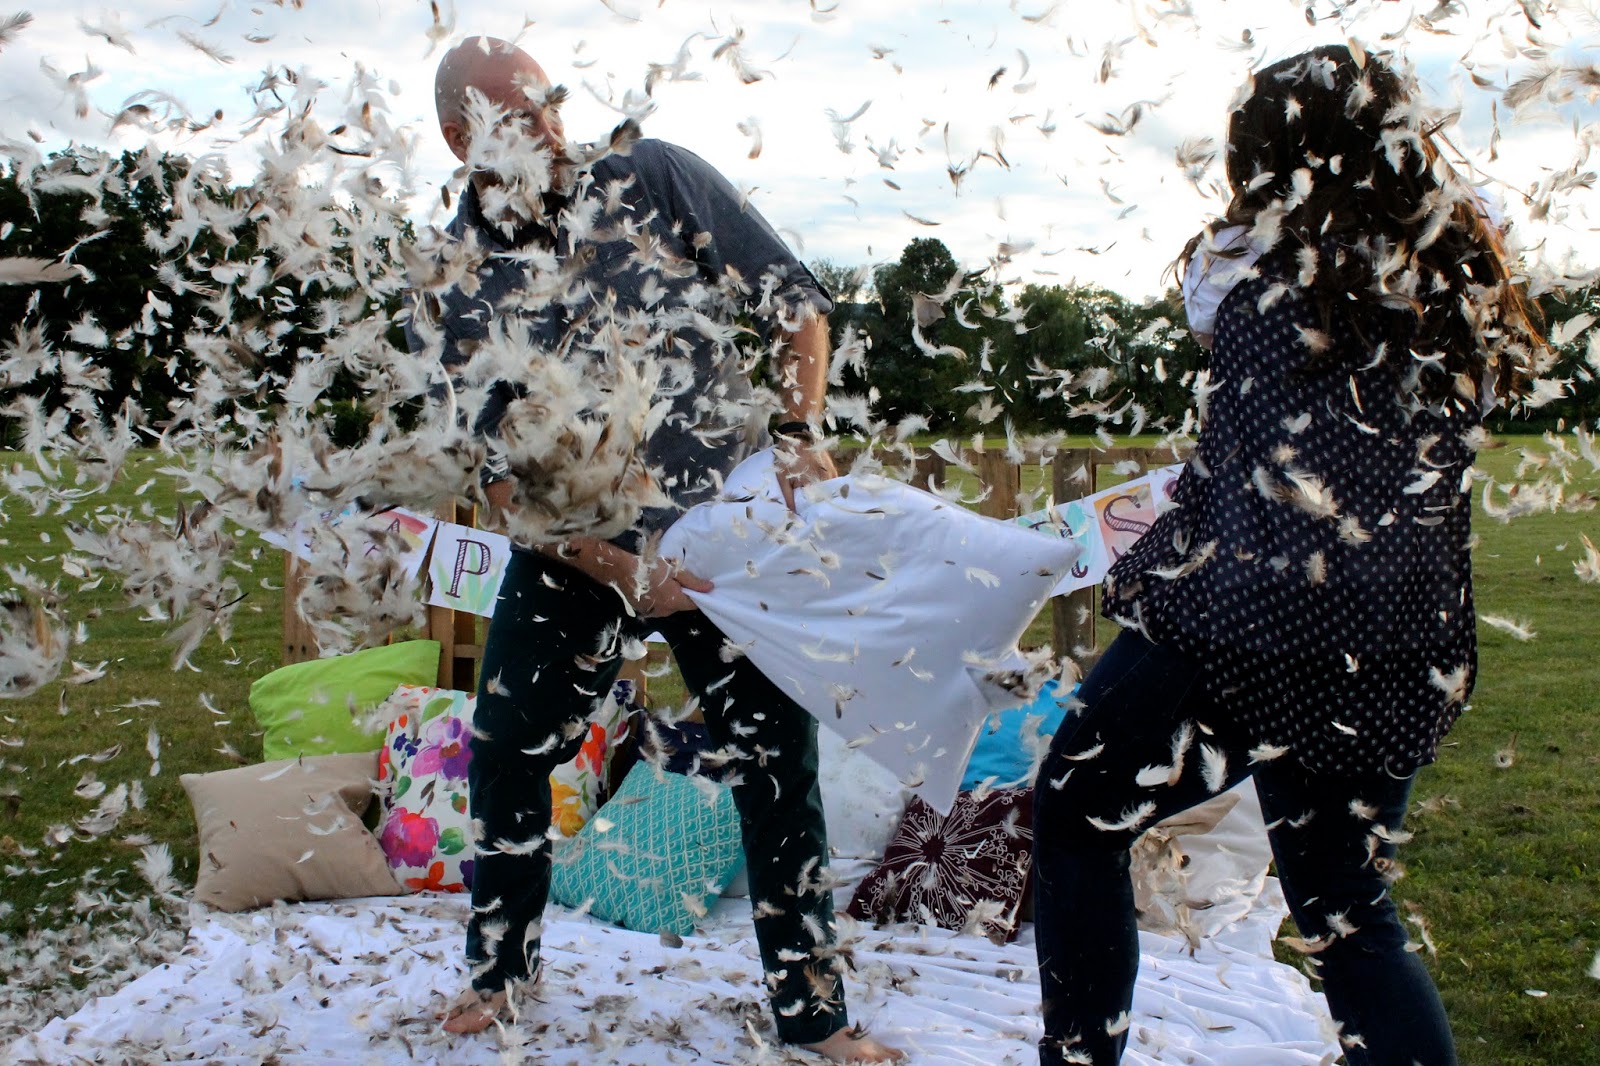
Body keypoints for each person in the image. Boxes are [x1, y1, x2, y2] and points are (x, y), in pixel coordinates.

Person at [1030, 44, 1542, 1066]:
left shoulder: (1241, 267)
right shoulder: (1457, 278)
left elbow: (1219, 347)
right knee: (1345, 907)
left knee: (1077, 814)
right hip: (1394, 633)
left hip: (1238, 613)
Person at [406, 36, 902, 1064]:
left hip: (725, 534)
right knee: (504, 748)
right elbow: (500, 483)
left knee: (777, 764)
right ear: (459, 138)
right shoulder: (452, 278)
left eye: (552, 105)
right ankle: (501, 971)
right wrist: (625, 571)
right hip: (572, 550)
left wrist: (799, 433)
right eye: (519, 118)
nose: (550, 130)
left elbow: (797, 304)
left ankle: (813, 1012)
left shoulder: (652, 176)